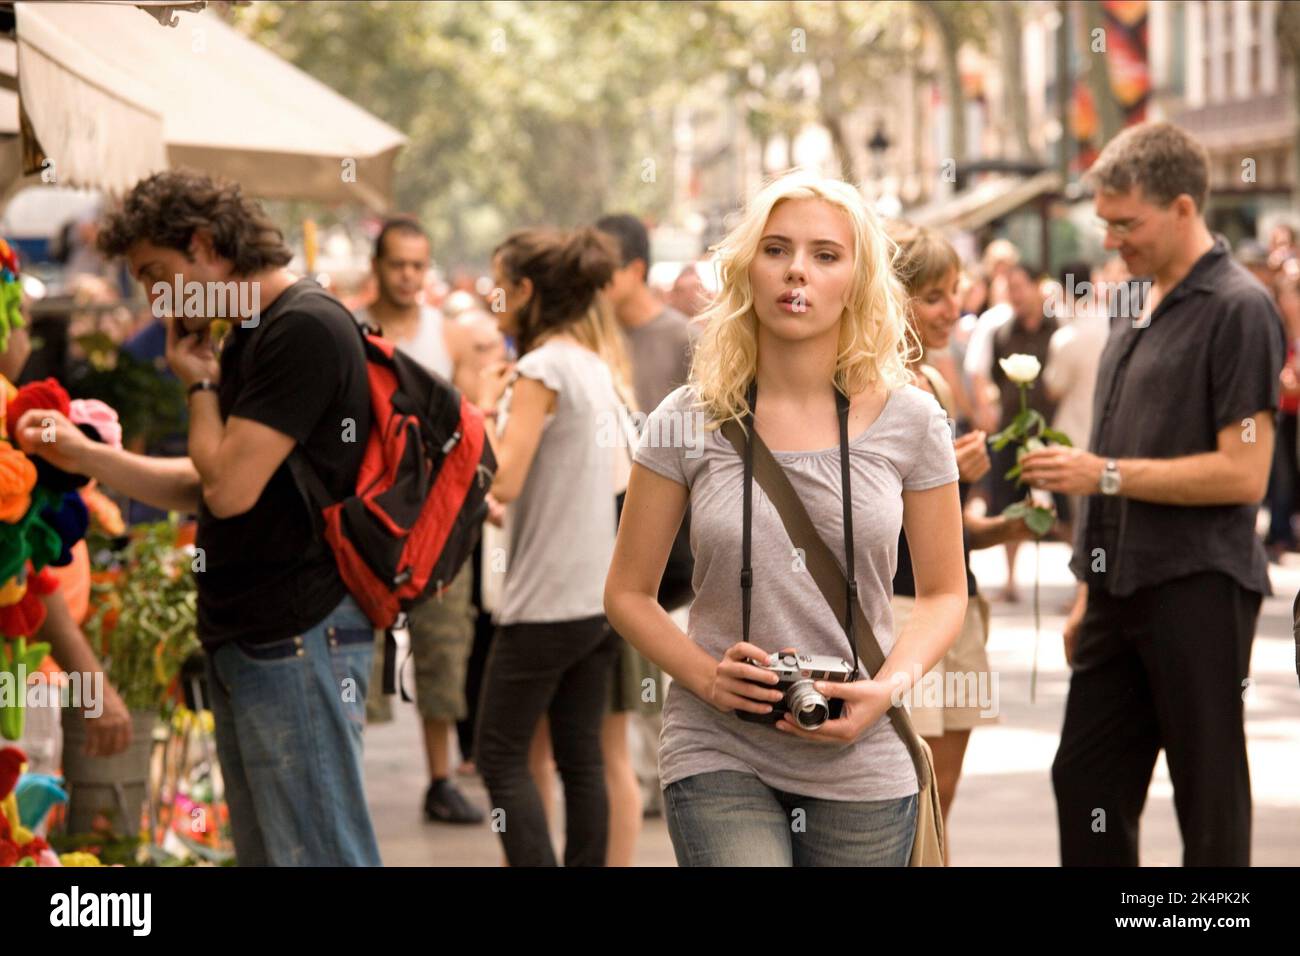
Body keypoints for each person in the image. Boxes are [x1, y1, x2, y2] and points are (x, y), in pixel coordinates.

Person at [16, 170, 380, 866]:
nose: (155, 299)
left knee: (319, 853)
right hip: (259, 637)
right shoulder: (246, 331)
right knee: (277, 852)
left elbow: (230, 487)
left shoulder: (301, 327)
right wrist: (79, 452)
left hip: (298, 635)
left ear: (208, 245)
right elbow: (206, 483)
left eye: (159, 274)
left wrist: (202, 387)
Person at [604, 170, 967, 867]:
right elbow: (626, 593)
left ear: (858, 280)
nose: (797, 270)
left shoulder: (912, 420)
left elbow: (946, 593)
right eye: (776, 249)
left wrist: (885, 689)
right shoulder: (687, 418)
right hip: (718, 747)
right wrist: (708, 678)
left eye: (826, 255)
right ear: (746, 268)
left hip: (862, 752)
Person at [1021, 121, 1284, 867]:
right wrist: (1084, 591)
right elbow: (1115, 435)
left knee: (1207, 793)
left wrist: (1101, 473)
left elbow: (1244, 474)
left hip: (1198, 581)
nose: (1111, 240)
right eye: (1103, 224)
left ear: (1181, 207)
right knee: (1086, 782)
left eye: (1125, 223)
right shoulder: (1135, 300)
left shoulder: (1239, 306)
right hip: (1115, 589)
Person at [471, 227, 629, 867]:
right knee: (580, 755)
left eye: (499, 283)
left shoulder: (539, 369)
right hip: (598, 601)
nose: (492, 296)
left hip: (546, 601)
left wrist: (483, 409)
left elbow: (502, 480)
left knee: (498, 754)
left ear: (528, 290)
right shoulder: (593, 366)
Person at [888, 223, 1043, 861]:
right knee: (904, 804)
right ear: (890, 300)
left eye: (955, 292)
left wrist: (1011, 524)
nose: (953, 308)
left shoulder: (939, 383)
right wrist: (940, 474)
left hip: (958, 610)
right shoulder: (871, 390)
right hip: (900, 612)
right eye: (933, 296)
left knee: (940, 805)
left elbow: (945, 536)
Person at [354, 217, 482, 824]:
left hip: (436, 527)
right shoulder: (351, 330)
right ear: (377, 266)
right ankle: (346, 773)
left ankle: (440, 779)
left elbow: (472, 432)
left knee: (442, 647)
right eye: (398, 264)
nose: (408, 276)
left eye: (417, 265)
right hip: (365, 521)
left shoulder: (450, 338)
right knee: (355, 646)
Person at [594, 212, 699, 862]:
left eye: (602, 263)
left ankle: (670, 772)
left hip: (682, 537)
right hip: (611, 526)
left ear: (634, 268)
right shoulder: (595, 340)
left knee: (667, 663)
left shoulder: (680, 336)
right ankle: (637, 775)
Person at [985, 263, 1059, 602]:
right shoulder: (1003, 332)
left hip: (1048, 429)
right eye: (1008, 288)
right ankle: (1011, 579)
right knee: (1008, 502)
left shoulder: (1056, 328)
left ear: (1037, 286)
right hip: (1012, 430)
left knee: (1066, 504)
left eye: (1019, 286)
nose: (1014, 295)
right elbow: (994, 379)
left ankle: (1085, 582)